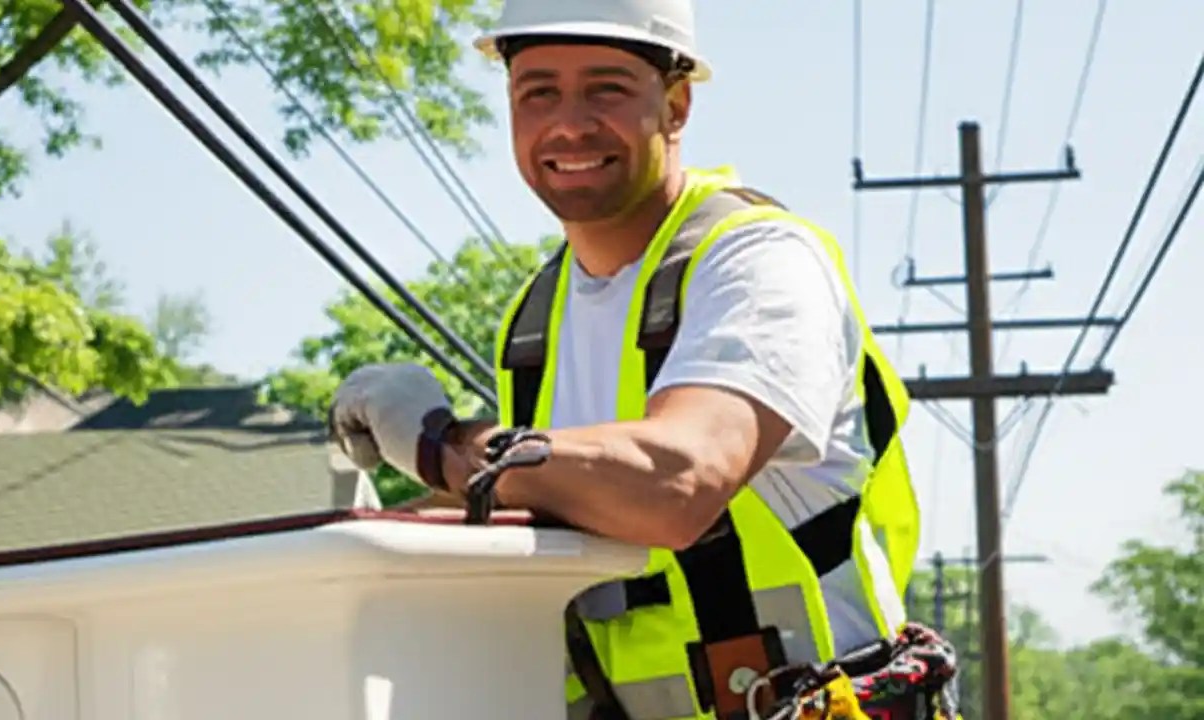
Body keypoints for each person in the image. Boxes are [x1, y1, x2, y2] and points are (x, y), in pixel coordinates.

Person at [328, 1, 924, 718]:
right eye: (537, 91)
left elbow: (675, 482)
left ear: (676, 104)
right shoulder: (535, 317)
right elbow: (556, 495)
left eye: (606, 87)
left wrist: (438, 445)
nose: (570, 123)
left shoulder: (758, 261)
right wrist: (356, 540)